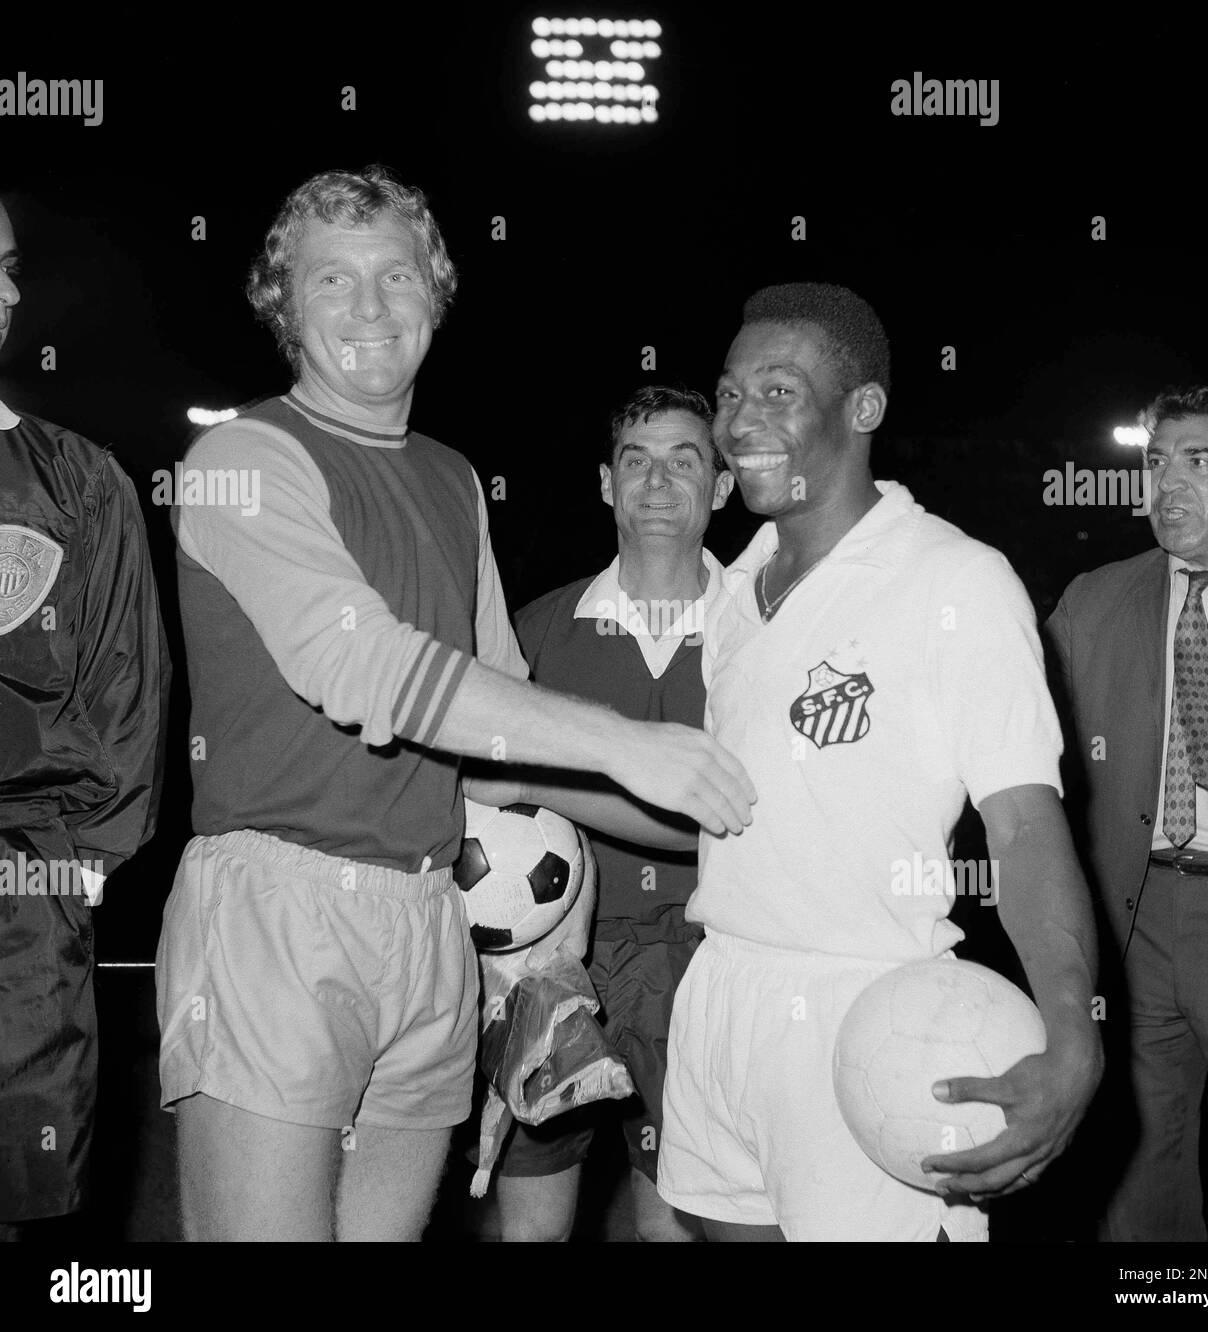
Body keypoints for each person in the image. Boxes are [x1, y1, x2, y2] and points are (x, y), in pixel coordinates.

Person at [155, 166, 754, 1242]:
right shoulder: (240, 460)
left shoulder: (451, 478)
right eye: (331, 280)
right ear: (282, 305)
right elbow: (365, 670)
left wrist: (542, 974)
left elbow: (497, 744)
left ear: (438, 292)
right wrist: (625, 741)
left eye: (397, 275)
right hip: (280, 904)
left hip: (434, 916)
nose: (370, 307)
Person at [650, 282, 1103, 1240]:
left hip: (869, 1016)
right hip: (723, 993)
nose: (740, 421)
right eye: (730, 394)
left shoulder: (955, 579)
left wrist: (1072, 1032)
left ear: (863, 408)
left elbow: (1023, 824)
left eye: (778, 392)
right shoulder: (731, 591)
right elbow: (738, 810)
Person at [1045, 386, 1208, 1241]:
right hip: (1132, 922)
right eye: (1156, 462)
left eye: (1200, 461)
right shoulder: (1092, 601)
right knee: (1134, 1165)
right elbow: (1018, 746)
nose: (1168, 485)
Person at [484, 385, 732, 1242]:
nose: (658, 482)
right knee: (532, 1221)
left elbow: (730, 824)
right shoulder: (537, 634)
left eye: (685, 459)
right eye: (637, 460)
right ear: (605, 483)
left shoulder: (766, 636)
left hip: (706, 961)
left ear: (723, 487)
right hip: (550, 965)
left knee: (675, 1218)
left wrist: (540, 783)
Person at [0, 197, 170, 1236]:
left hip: (19, 919)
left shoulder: (75, 483)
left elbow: (126, 708)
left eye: (10, 266)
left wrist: (60, 888)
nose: (9, 295)